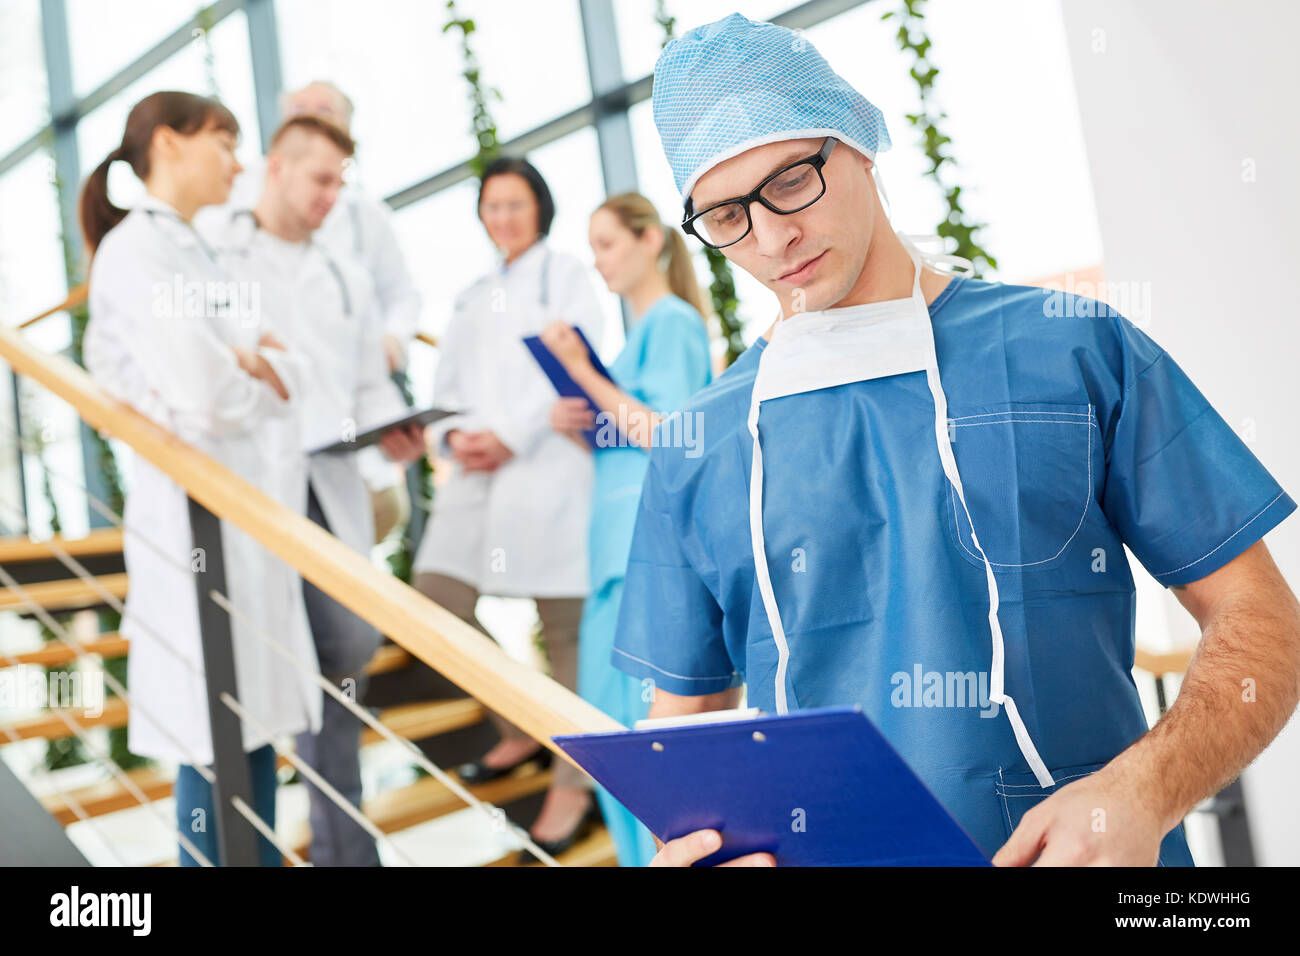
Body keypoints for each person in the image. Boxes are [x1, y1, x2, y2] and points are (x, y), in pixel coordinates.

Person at [614, 14, 1300, 868]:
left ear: (857, 141)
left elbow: (1261, 616)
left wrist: (1146, 790)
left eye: (791, 181)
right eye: (726, 214)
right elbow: (685, 759)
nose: (770, 236)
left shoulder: (1071, 350)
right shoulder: (702, 444)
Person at [80, 90, 322, 866]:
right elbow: (207, 395)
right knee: (213, 747)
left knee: (250, 744)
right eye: (224, 141)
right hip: (196, 533)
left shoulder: (199, 250)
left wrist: (253, 368)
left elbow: (291, 364)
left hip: (241, 524)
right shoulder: (136, 251)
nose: (238, 162)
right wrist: (252, 373)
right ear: (169, 144)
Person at [201, 114, 427, 866]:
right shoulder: (213, 247)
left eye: (341, 183)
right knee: (249, 667)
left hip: (328, 481)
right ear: (277, 167)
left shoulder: (345, 274)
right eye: (321, 180)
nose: (334, 197)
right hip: (247, 489)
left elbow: (366, 381)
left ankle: (342, 849)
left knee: (344, 650)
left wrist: (396, 426)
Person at [412, 156, 606, 857]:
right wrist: (451, 434)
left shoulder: (568, 277)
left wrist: (509, 436)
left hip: (545, 467)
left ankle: (572, 789)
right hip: (475, 473)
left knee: (564, 634)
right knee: (433, 597)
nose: (503, 218)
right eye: (492, 207)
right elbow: (447, 382)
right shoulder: (471, 295)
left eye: (515, 205)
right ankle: (518, 725)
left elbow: (576, 373)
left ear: (539, 209)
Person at [539, 192, 713, 866]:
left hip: (646, 556)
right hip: (612, 558)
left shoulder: (672, 323)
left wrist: (583, 375)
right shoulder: (635, 342)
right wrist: (582, 424)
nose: (598, 261)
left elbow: (666, 437)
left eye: (607, 244)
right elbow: (624, 441)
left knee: (641, 750)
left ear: (650, 241)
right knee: (606, 737)